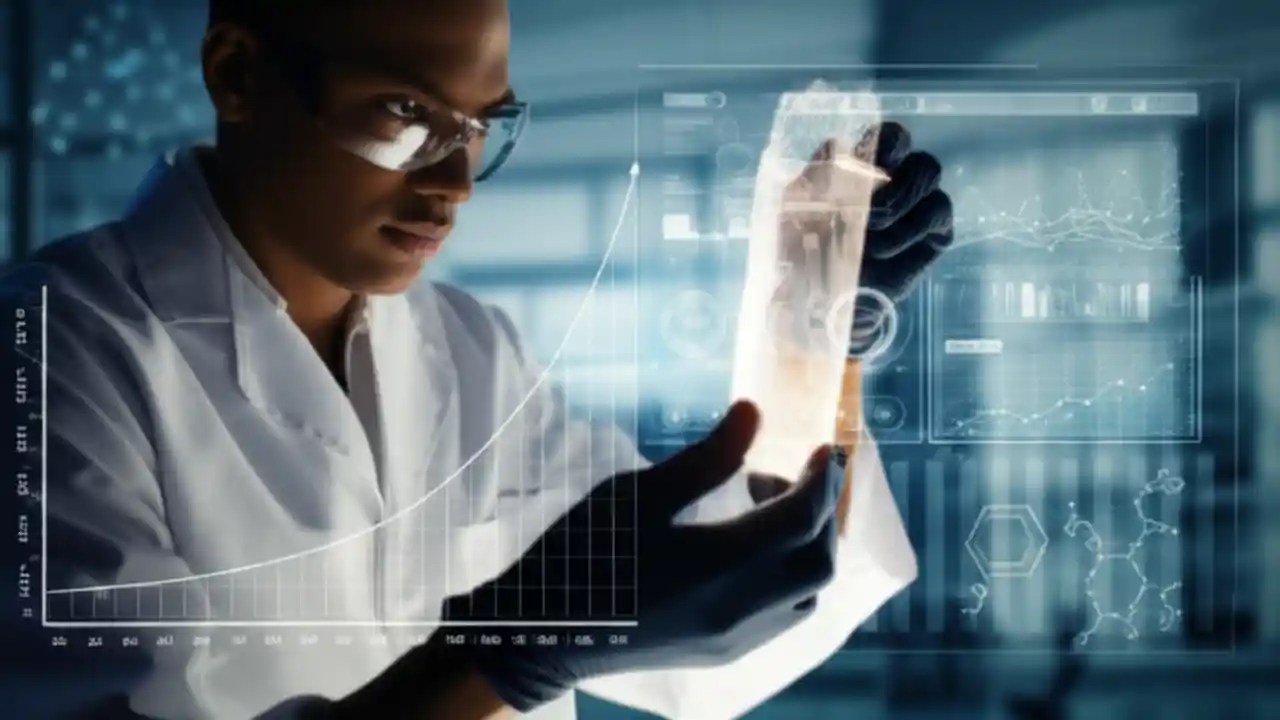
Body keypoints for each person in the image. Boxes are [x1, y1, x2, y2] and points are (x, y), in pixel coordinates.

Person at [0, 0, 953, 717]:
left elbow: (730, 615)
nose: (453, 186)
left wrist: (809, 329)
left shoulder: (470, 351)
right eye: (404, 113)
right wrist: (505, 653)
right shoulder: (55, 350)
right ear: (238, 74)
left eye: (480, 127)